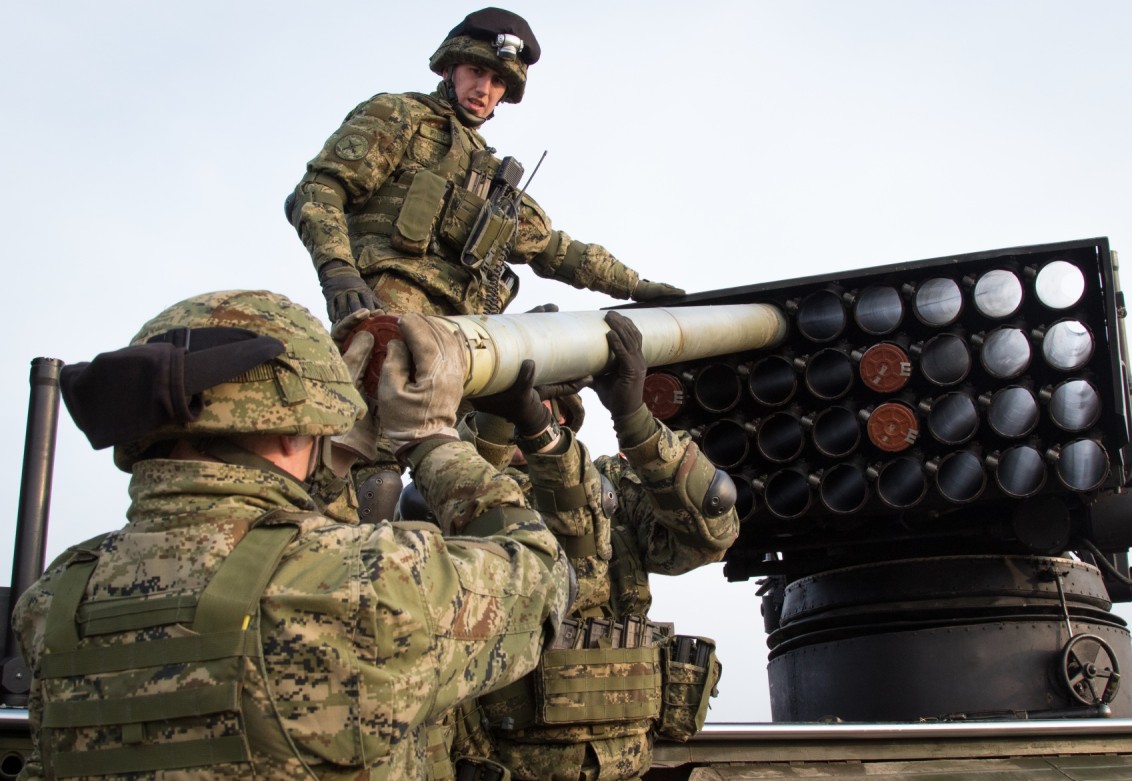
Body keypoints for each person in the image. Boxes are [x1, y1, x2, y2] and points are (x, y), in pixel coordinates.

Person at [11, 290, 573, 779]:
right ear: (288, 434)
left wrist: (340, 445)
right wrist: (429, 438)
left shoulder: (55, 599)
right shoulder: (371, 583)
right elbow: (542, 579)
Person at [447, 311, 739, 780]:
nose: (538, 416)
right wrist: (500, 423)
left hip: (624, 764)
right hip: (499, 763)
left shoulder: (615, 486)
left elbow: (709, 533)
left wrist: (637, 421)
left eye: (549, 406)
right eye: (526, 403)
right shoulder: (448, 493)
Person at [286, 7, 685, 324]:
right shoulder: (401, 114)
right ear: (450, 69)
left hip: (465, 329)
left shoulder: (493, 180)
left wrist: (635, 287)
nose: (484, 89)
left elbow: (556, 250)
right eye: (476, 72)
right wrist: (339, 273)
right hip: (390, 307)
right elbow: (319, 190)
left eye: (497, 82)